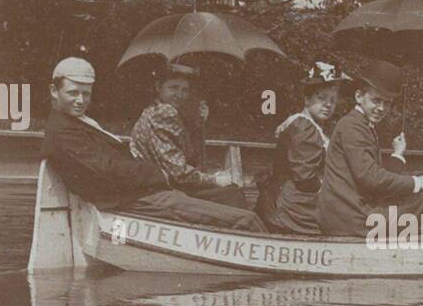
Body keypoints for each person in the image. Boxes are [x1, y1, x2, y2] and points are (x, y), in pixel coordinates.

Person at [41, 56, 266, 232]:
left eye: (86, 94)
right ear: (54, 91)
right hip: (134, 199)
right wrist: (160, 174)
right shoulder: (63, 132)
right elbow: (108, 169)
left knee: (231, 196)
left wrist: (198, 125)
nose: (81, 100)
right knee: (247, 220)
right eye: (73, 93)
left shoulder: (79, 123)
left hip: (144, 191)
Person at [315, 59, 423, 238]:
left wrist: (398, 154)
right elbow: (370, 178)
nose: (381, 108)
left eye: (387, 102)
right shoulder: (352, 127)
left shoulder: (362, 125)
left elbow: (373, 177)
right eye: (376, 100)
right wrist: (417, 183)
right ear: (359, 96)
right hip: (352, 219)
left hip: (351, 213)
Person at [130, 62, 249, 212]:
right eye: (173, 87)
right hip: (164, 190)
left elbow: (186, 158)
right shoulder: (163, 113)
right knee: (231, 193)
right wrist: (215, 180)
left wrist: (199, 124)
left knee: (228, 191)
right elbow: (180, 174)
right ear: (158, 87)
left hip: (165, 185)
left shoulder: (153, 110)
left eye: (184, 90)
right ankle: (240, 234)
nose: (180, 95)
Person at [256, 61, 346, 234]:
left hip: (291, 201)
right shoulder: (303, 127)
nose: (328, 104)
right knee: (346, 220)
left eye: (333, 100)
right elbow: (305, 179)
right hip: (290, 208)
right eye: (322, 98)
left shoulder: (310, 126)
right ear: (306, 99)